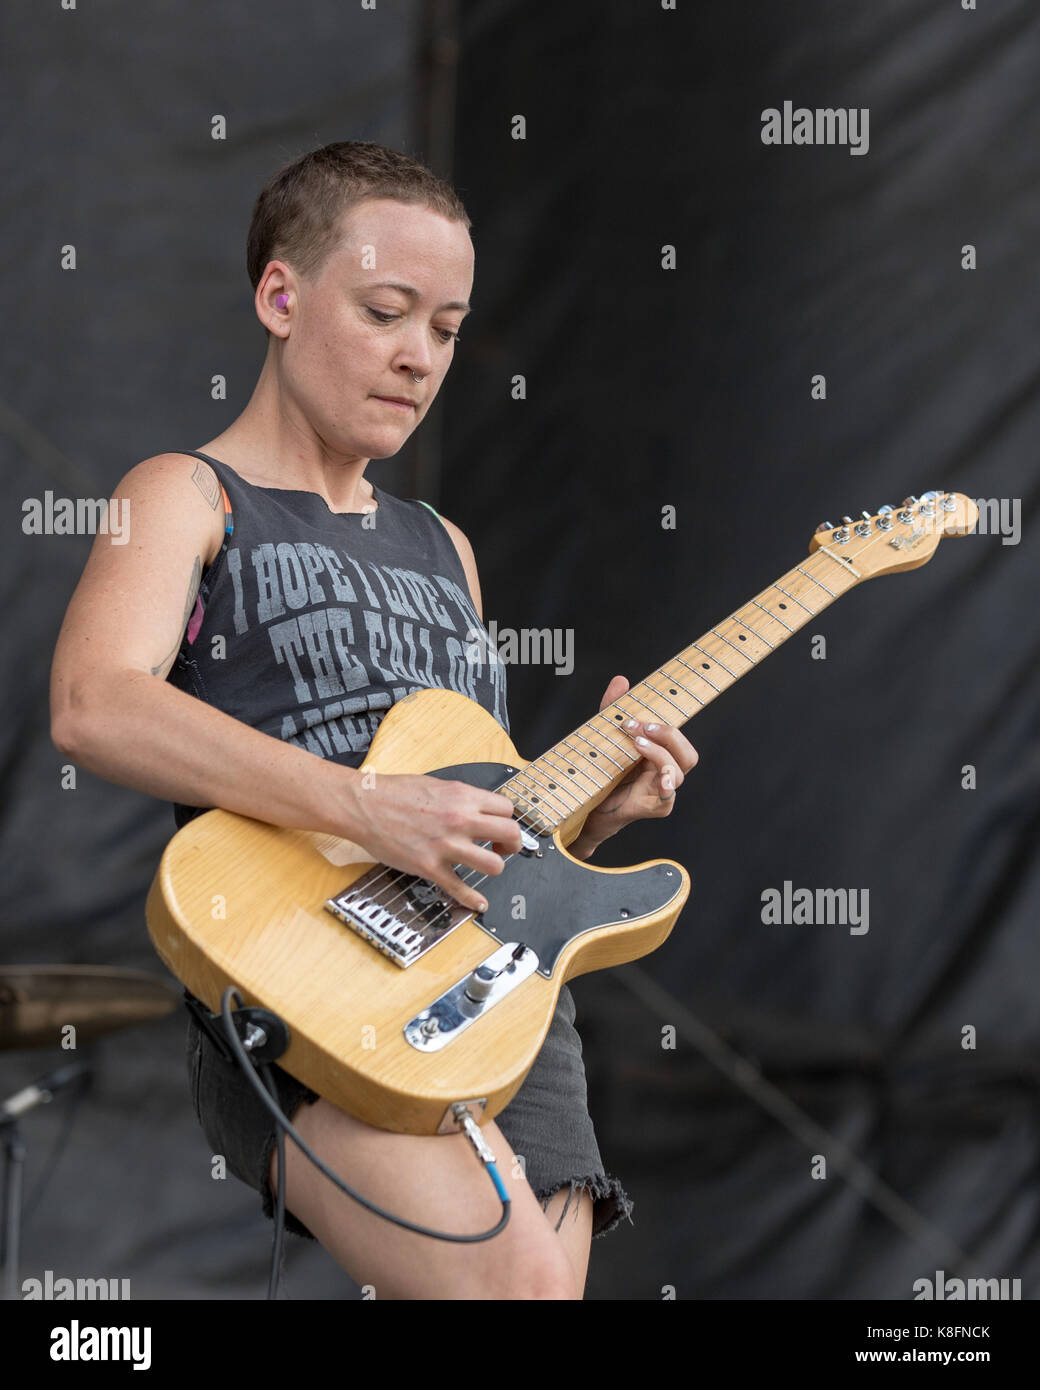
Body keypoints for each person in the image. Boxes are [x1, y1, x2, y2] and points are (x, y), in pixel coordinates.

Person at [49, 140, 698, 1300]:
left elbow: (476, 820)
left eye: (445, 329)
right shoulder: (185, 493)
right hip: (309, 979)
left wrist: (587, 823)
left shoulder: (444, 547)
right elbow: (95, 703)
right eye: (386, 310)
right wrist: (363, 807)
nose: (419, 357)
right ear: (280, 295)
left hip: (497, 993)